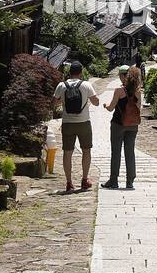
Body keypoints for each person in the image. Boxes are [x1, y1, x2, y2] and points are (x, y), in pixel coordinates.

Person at [53, 62, 99, 192]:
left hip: (67, 123)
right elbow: (96, 102)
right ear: (81, 72)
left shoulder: (62, 85)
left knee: (67, 153)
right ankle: (84, 180)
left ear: (69, 72)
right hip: (83, 122)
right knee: (86, 150)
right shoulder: (86, 85)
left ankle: (69, 183)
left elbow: (54, 103)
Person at [103, 62, 141, 190]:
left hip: (118, 124)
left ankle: (113, 180)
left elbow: (110, 108)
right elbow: (138, 108)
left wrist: (105, 105)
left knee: (116, 152)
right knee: (130, 152)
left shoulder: (119, 90)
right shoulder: (138, 91)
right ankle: (130, 181)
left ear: (122, 76)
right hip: (133, 125)